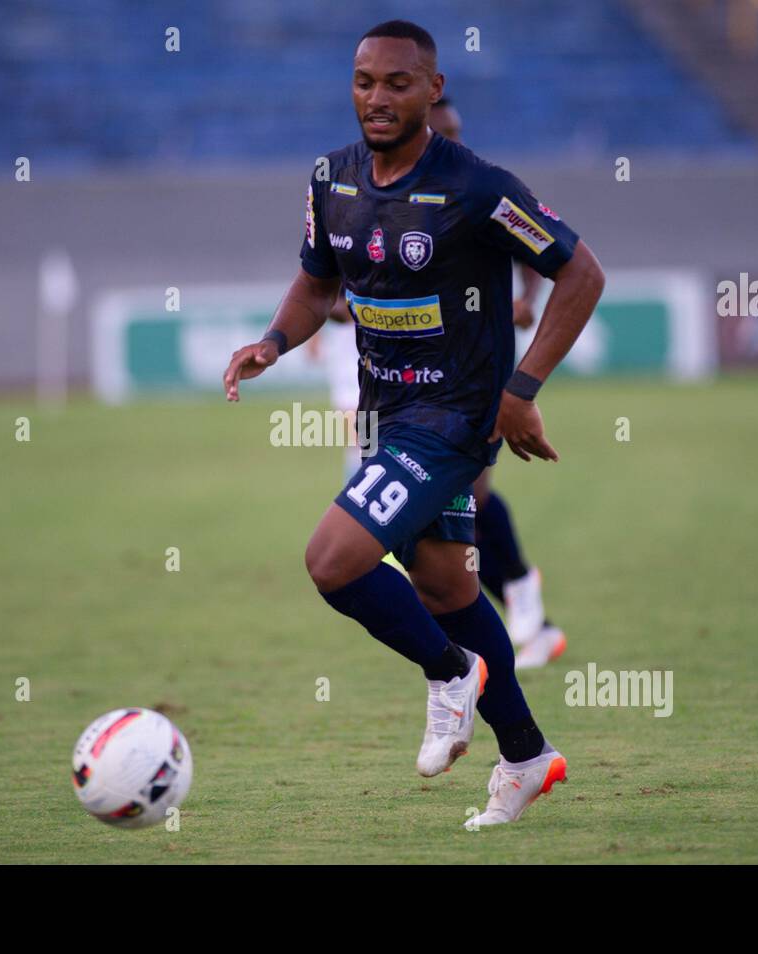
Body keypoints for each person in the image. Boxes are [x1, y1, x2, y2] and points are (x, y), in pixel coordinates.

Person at [223, 20, 604, 827]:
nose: (378, 97)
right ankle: (527, 755)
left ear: (433, 90)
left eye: (398, 82)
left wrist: (522, 388)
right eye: (365, 82)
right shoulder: (331, 179)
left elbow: (581, 270)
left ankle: (448, 673)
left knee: (332, 561)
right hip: (384, 413)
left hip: (454, 421)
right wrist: (274, 341)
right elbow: (315, 280)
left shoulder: (474, 187)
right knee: (446, 587)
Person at [311, 96, 567, 668]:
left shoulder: (471, 191)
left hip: (458, 382)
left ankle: (509, 609)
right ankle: (495, 643)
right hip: (375, 374)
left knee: (458, 501)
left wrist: (524, 304)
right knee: (426, 530)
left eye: (451, 132)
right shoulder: (357, 193)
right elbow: (324, 280)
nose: (445, 143)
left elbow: (549, 258)